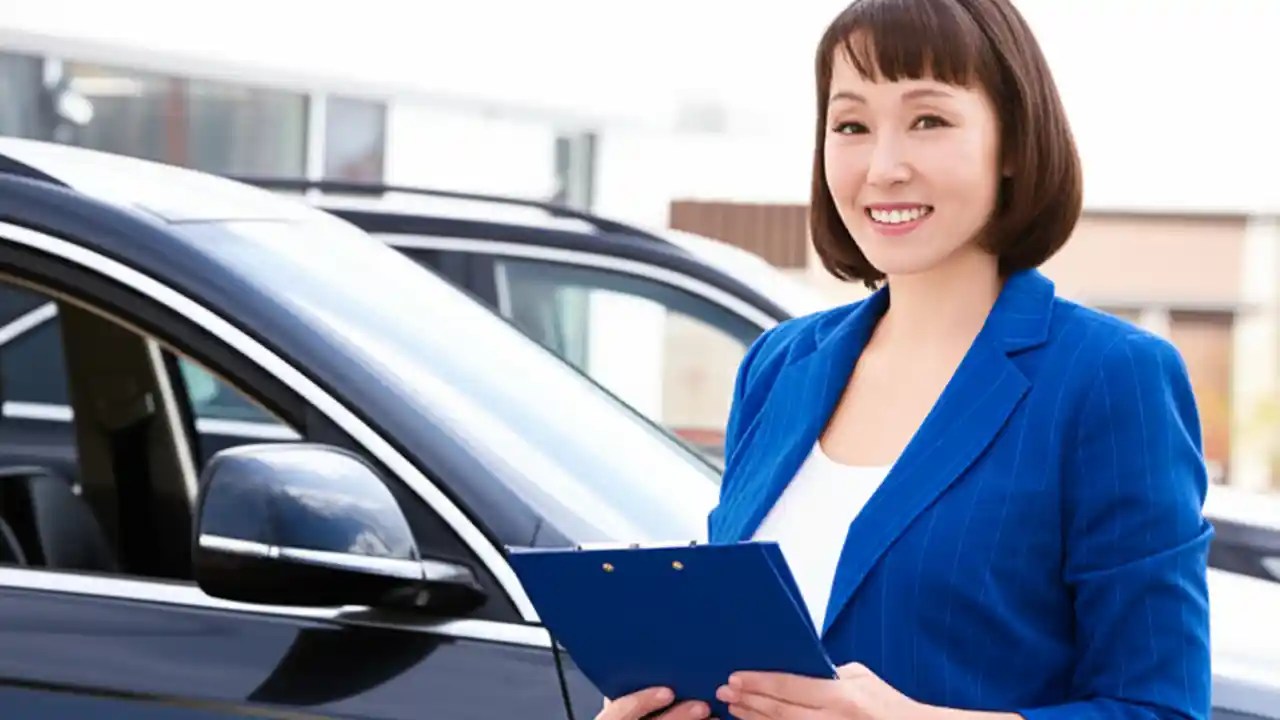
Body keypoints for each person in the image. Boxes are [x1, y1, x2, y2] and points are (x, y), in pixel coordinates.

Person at [597, 0, 1214, 718]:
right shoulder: (779, 366)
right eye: (851, 125)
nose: (884, 168)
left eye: (929, 120)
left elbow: (1159, 706)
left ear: (1011, 142)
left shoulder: (1109, 378)